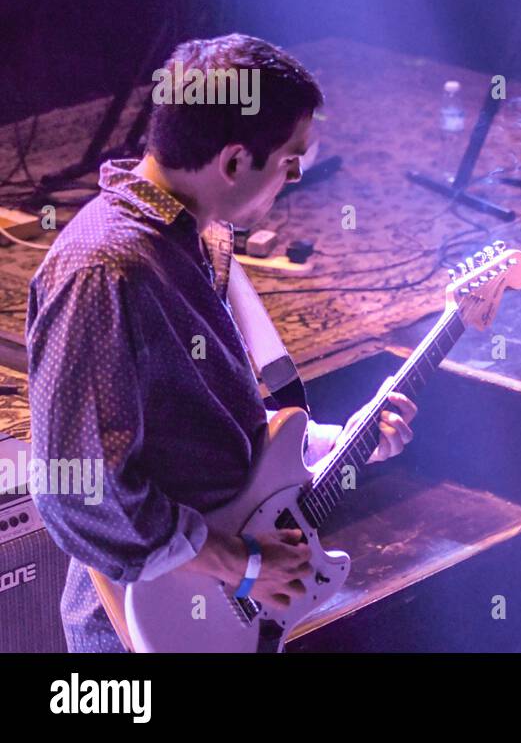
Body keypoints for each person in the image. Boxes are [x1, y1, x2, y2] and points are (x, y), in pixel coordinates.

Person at [26, 34, 418, 652]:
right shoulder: (104, 270)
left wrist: (339, 441)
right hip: (145, 632)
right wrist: (242, 564)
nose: (292, 178)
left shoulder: (194, 237)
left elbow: (200, 427)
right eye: (290, 161)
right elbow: (76, 488)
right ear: (234, 162)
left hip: (223, 614)